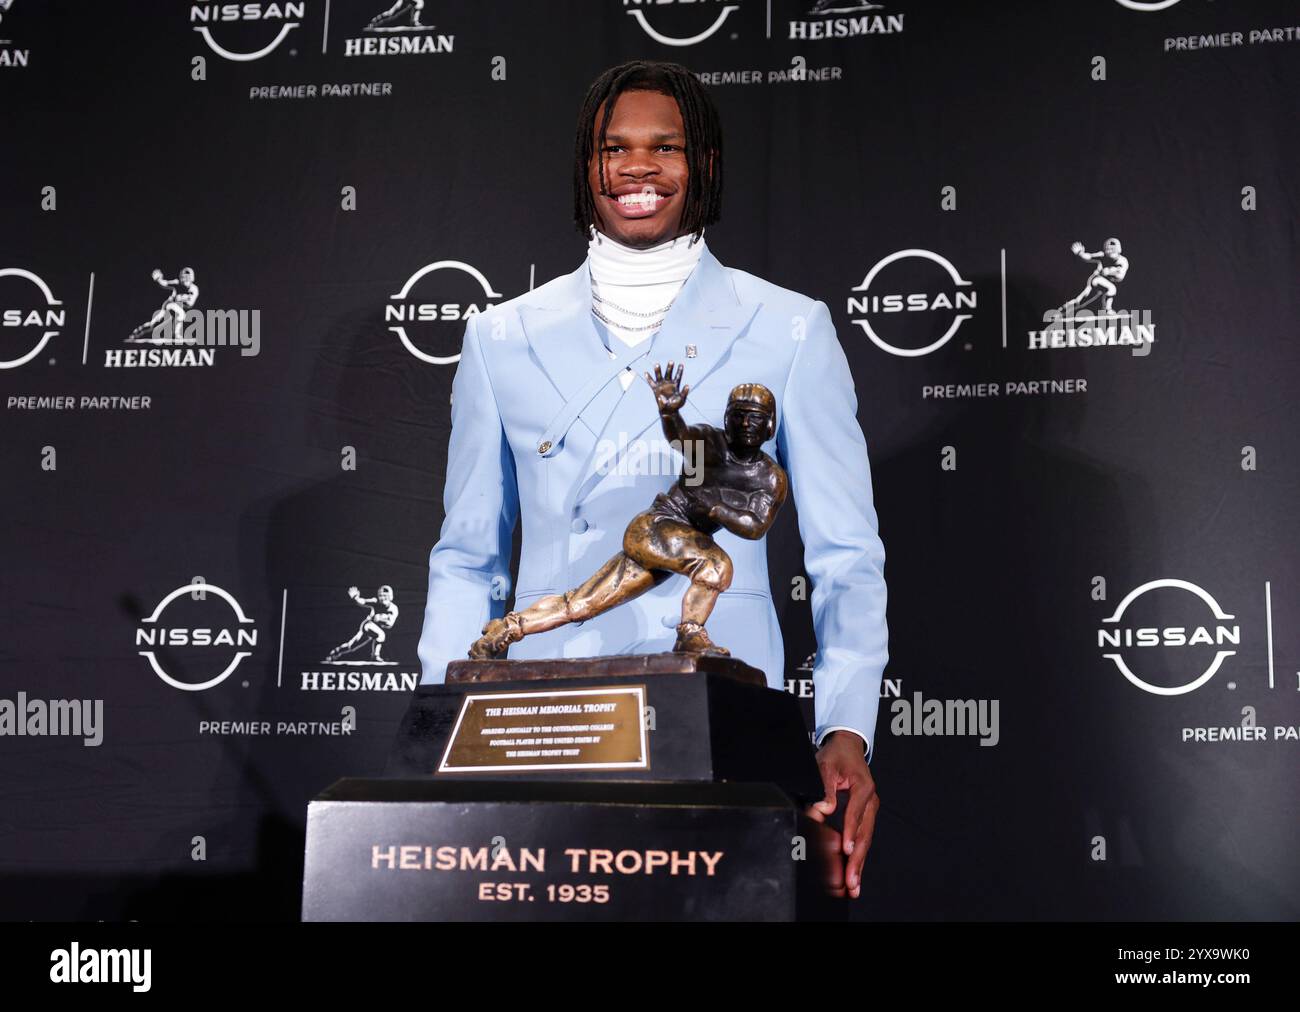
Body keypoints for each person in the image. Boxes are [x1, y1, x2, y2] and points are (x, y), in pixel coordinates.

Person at [417, 60, 888, 898]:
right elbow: (467, 557)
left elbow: (845, 555)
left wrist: (845, 722)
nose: (638, 168)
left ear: (703, 165)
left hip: (723, 727)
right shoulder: (498, 337)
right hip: (541, 723)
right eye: (614, 148)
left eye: (665, 147)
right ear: (585, 165)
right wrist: (439, 720)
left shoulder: (789, 327)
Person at [327, 585, 398, 663]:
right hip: (368, 625)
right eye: (381, 595)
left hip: (375, 629)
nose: (382, 598)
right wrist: (356, 598)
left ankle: (336, 652)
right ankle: (375, 656)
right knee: (381, 635)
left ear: (390, 596)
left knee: (351, 646)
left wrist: (381, 620)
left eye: (385, 596)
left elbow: (390, 624)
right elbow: (363, 601)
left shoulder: (393, 609)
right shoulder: (376, 601)